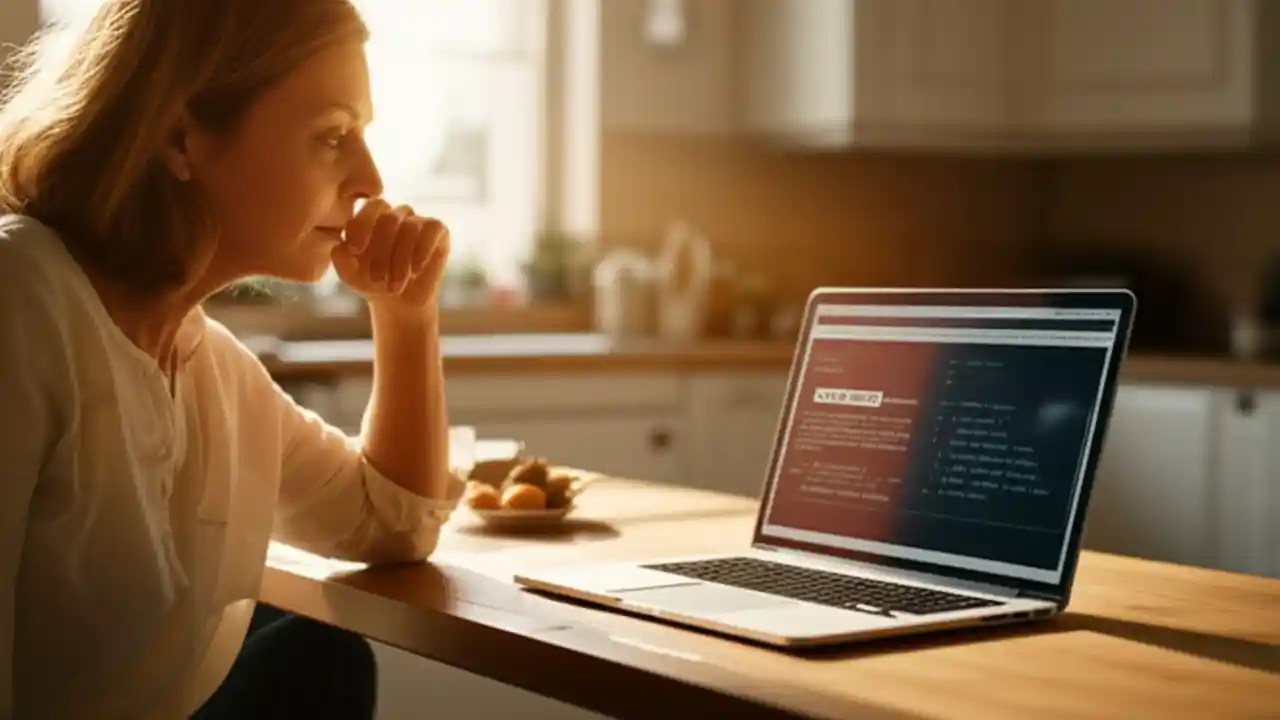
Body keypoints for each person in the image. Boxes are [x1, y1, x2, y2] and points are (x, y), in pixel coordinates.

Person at [0, 1, 461, 717]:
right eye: (333, 136)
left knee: (320, 657)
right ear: (181, 137)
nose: (371, 179)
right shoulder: (21, 301)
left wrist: (406, 313)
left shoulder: (212, 368)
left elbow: (392, 522)